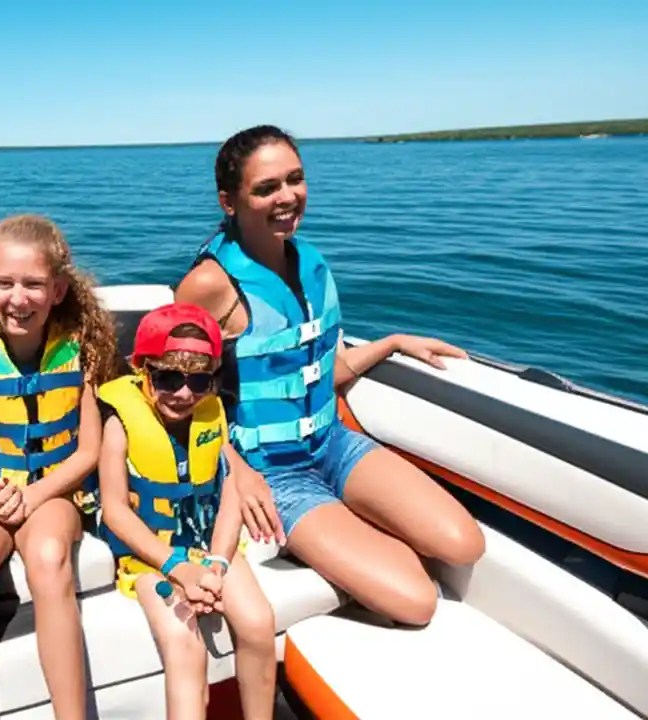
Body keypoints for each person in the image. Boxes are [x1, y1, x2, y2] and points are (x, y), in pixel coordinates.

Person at [174, 124, 486, 627]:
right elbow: (165, 401)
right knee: (417, 600)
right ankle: (326, 537)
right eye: (266, 187)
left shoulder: (312, 263)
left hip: (331, 445)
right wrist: (237, 470)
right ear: (229, 202)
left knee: (463, 544)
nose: (287, 196)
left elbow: (322, 373)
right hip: (268, 474)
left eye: (294, 180)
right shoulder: (209, 284)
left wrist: (391, 342)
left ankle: (343, 533)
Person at [0, 214, 115, 719]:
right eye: (5, 284)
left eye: (34, 284)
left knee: (51, 558)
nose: (19, 297)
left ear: (57, 289)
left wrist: (34, 496)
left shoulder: (81, 351)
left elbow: (87, 452)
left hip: (53, 491)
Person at [98, 303, 277, 720]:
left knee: (257, 623)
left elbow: (229, 484)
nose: (184, 394)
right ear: (142, 370)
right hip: (148, 556)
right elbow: (115, 511)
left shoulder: (212, 412)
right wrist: (178, 567)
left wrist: (215, 562)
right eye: (167, 379)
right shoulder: (118, 424)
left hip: (206, 544)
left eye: (199, 381)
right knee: (184, 645)